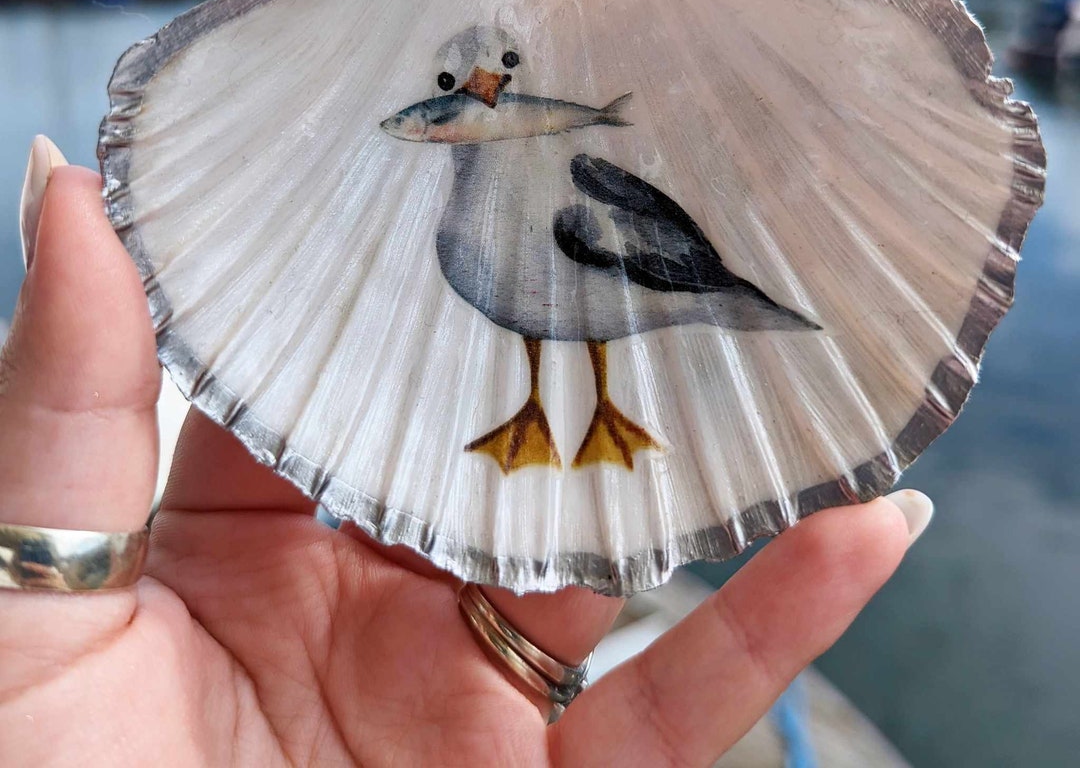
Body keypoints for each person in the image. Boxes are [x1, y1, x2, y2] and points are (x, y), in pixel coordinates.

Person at [0, 138, 931, 765]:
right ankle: (552, 415)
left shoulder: (577, 191)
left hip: (619, 289)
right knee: (527, 302)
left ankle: (593, 414)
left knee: (572, 307)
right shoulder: (456, 217)